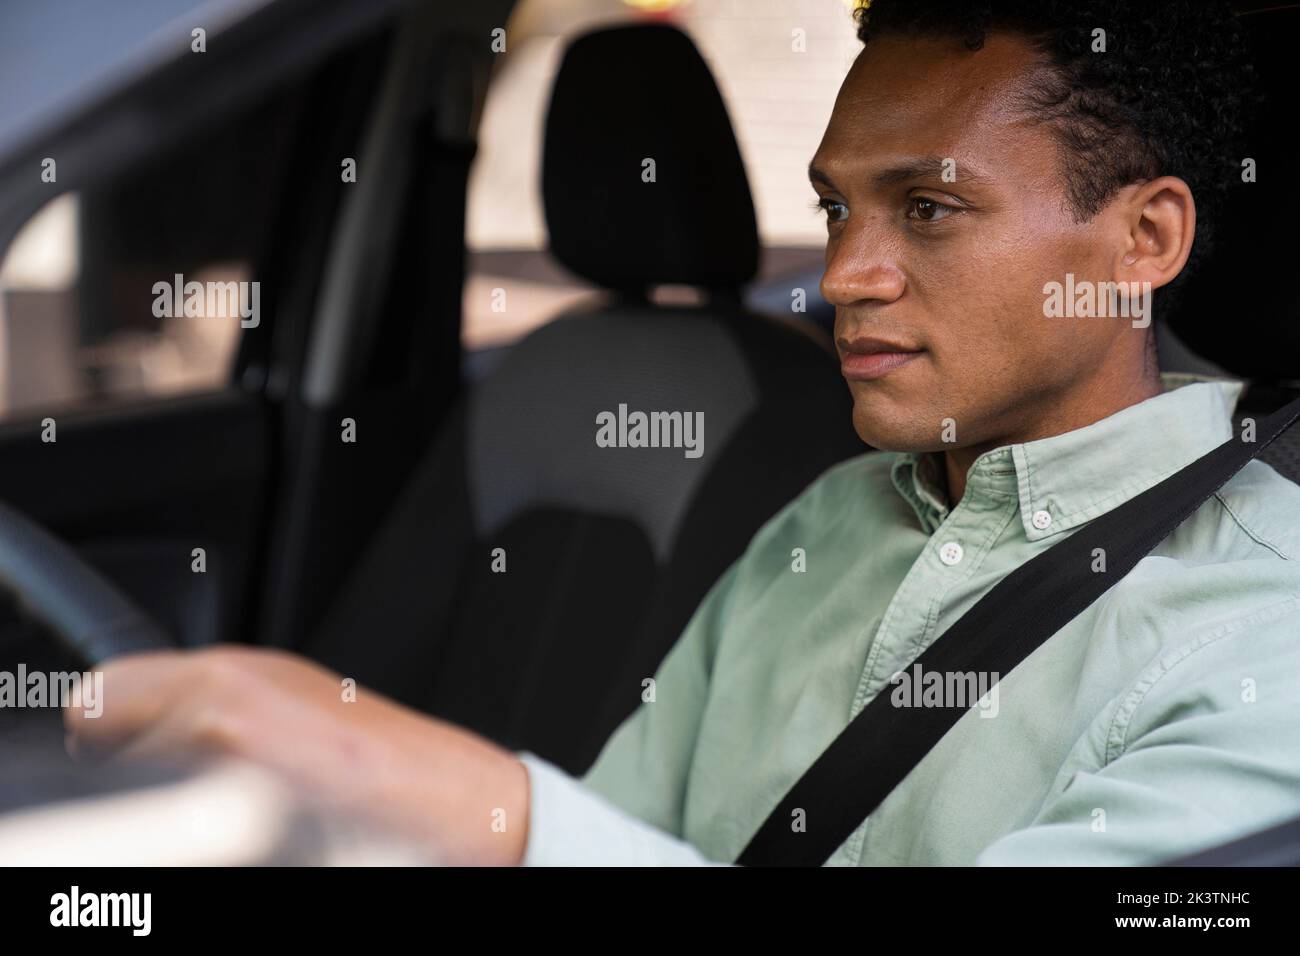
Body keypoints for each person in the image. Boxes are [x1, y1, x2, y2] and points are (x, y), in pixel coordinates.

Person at [65, 0, 1300, 866]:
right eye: (835, 208)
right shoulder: (822, 521)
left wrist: (481, 811)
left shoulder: (1261, 636)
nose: (847, 274)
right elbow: (635, 821)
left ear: (1142, 243)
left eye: (929, 207)